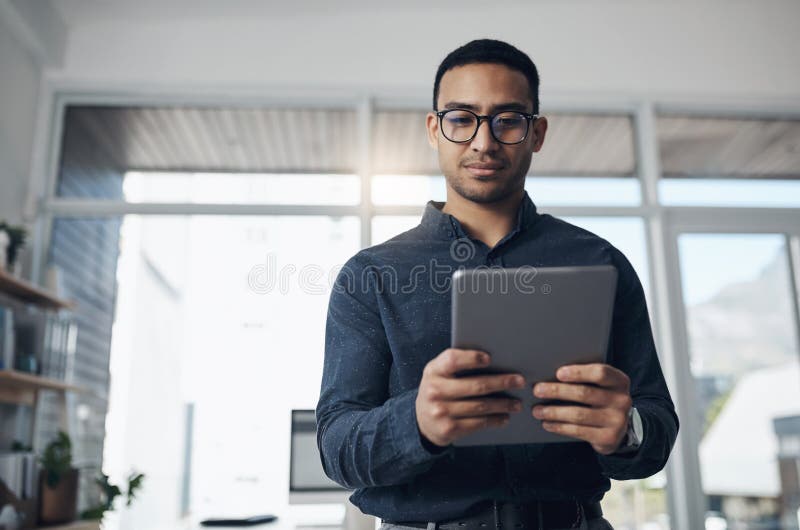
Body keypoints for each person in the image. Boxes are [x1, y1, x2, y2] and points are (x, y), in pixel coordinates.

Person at [316, 39, 678, 530]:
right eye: (462, 118)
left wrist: (627, 429)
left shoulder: (601, 262)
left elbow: (656, 423)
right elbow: (336, 447)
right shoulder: (370, 275)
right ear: (434, 129)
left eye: (508, 120)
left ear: (537, 133)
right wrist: (416, 423)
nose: (483, 142)